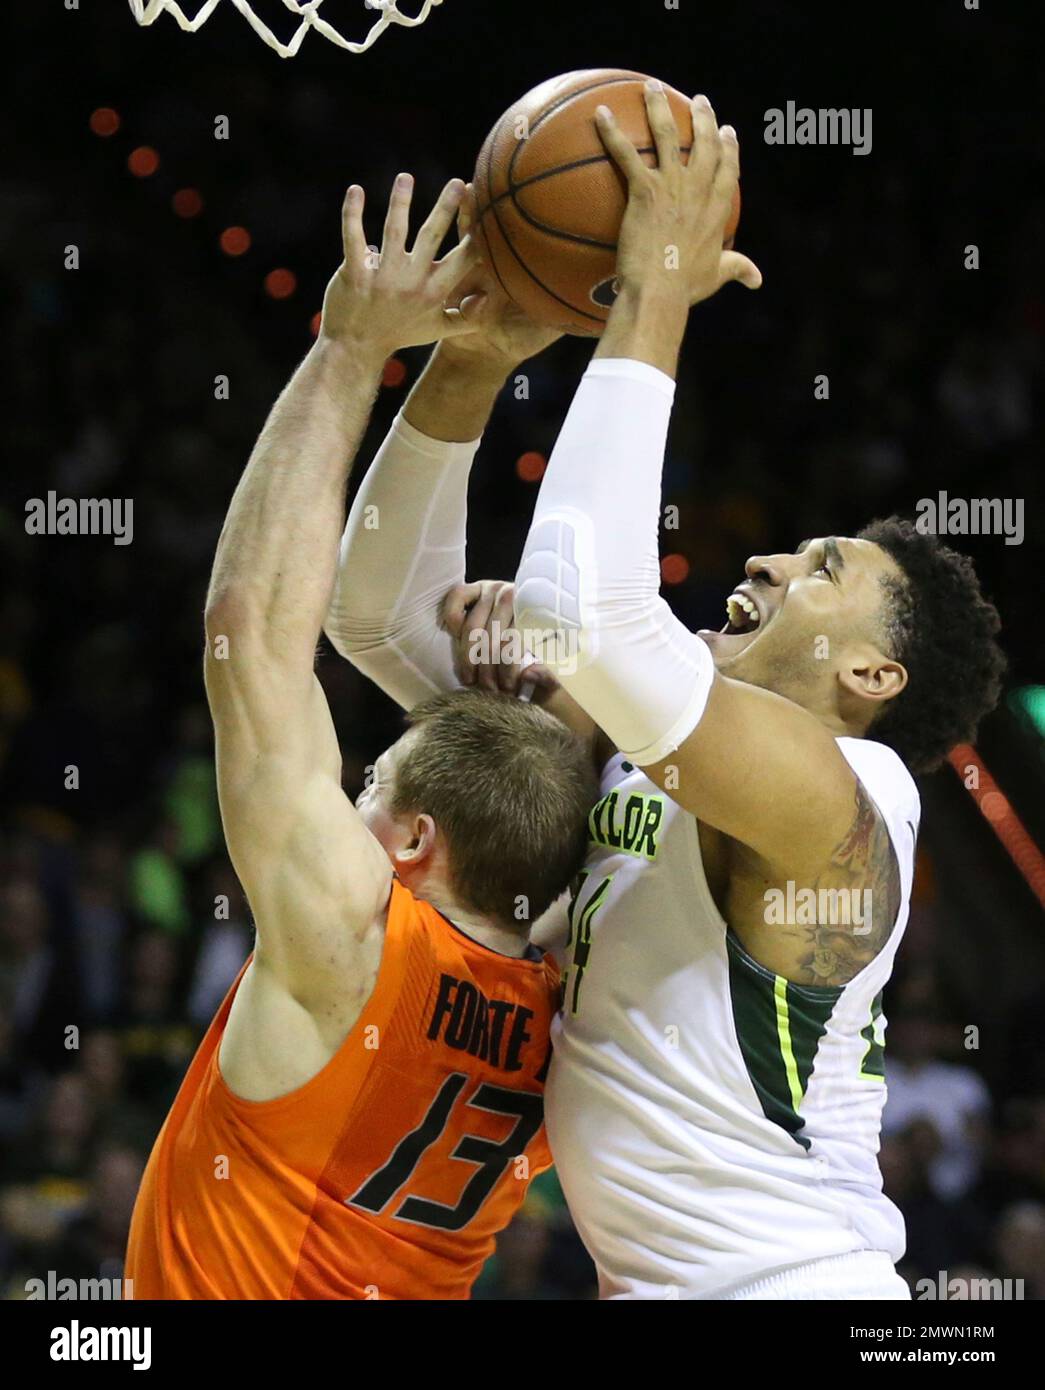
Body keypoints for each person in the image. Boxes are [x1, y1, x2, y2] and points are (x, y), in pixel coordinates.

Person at [325, 86, 1004, 1300]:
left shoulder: (844, 798)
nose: (768, 562)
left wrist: (652, 290)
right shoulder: (628, 739)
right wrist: (471, 365)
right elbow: (371, 615)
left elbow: (586, 612)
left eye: (823, 569)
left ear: (869, 675)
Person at [125, 173, 597, 1301]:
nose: (354, 801)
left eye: (370, 783)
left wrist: (350, 345)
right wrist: (471, 364)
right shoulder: (583, 999)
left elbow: (252, 633)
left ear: (411, 841)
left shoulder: (351, 934)